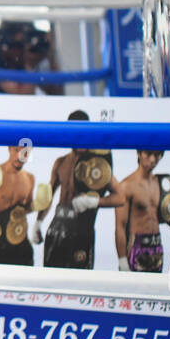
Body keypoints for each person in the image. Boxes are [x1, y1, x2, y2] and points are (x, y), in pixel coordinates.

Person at [80, 149, 170, 272]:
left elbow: (162, 214)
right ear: (139, 153)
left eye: (157, 155)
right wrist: (122, 259)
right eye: (148, 154)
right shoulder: (126, 186)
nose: (152, 159)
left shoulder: (159, 182)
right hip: (137, 248)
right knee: (133, 291)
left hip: (157, 247)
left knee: (154, 290)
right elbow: (120, 226)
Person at [36, 110, 112, 270]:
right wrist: (38, 222)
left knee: (80, 283)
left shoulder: (98, 167)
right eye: (74, 132)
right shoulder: (61, 162)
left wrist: (94, 201)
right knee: (50, 281)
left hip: (81, 230)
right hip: (57, 227)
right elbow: (49, 194)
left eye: (82, 132)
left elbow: (120, 197)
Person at [0, 144, 52, 265]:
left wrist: (38, 205)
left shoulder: (29, 178)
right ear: (9, 149)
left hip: (22, 246)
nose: (20, 156)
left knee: (22, 283)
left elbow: (25, 209)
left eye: (25, 153)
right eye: (17, 150)